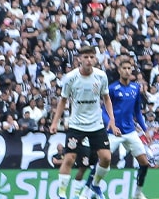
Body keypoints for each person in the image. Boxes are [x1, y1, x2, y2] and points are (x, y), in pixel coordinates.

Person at [49, 46, 118, 199]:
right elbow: (63, 101)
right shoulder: (70, 77)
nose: (88, 60)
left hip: (96, 125)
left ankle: (95, 185)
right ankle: (61, 194)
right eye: (85, 57)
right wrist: (55, 122)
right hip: (76, 125)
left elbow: (106, 98)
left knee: (106, 158)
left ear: (95, 59)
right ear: (79, 59)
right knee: (69, 158)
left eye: (91, 57)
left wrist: (112, 119)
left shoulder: (101, 76)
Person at [91, 56, 152, 199]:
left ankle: (137, 193)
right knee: (103, 160)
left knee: (144, 163)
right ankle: (92, 188)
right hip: (114, 133)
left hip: (130, 132)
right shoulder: (112, 88)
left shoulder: (136, 88)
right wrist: (111, 124)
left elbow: (137, 111)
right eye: (123, 68)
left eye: (129, 68)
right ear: (119, 70)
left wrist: (145, 129)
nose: (126, 71)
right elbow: (104, 110)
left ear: (132, 71)